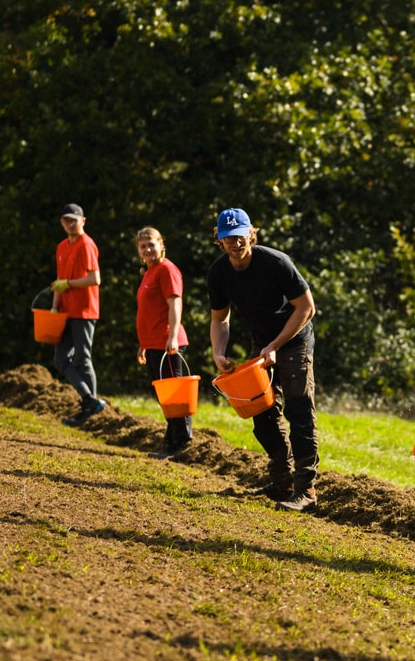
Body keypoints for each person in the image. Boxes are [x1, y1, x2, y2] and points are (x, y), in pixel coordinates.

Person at [206, 208, 319, 509]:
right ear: (219, 239)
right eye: (228, 237)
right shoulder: (219, 273)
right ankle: (282, 482)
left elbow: (306, 308)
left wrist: (276, 345)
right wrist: (219, 352)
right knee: (261, 411)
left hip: (294, 339)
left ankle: (306, 489)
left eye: (240, 235)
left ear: (250, 234)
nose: (235, 242)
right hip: (263, 342)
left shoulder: (275, 262)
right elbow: (220, 318)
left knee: (299, 410)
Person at [134, 226, 193, 457]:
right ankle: (172, 441)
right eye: (143, 246)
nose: (148, 249)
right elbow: (149, 312)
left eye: (151, 244)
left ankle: (182, 442)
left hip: (168, 342)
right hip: (153, 343)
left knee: (174, 395)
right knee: (164, 397)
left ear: (161, 245)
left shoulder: (167, 269)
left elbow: (175, 304)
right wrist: (144, 343)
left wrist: (172, 337)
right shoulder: (149, 272)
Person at [49, 203, 107, 425]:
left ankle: (89, 409)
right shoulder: (62, 247)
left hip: (84, 310)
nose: (70, 224)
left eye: (74, 220)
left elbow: (95, 279)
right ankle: (90, 401)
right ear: (62, 223)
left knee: (83, 359)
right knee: (60, 359)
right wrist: (55, 306)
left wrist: (69, 284)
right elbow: (59, 280)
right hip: (65, 311)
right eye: (67, 220)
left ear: (83, 221)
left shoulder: (86, 245)